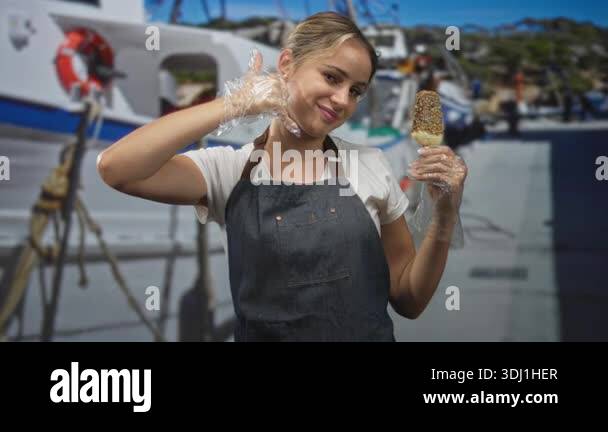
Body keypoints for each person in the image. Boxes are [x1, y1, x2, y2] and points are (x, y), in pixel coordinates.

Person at [96, 12, 468, 342]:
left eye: (355, 91)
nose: (342, 100)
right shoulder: (229, 170)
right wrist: (233, 105)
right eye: (331, 77)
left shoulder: (370, 165)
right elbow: (117, 169)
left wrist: (445, 217)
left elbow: (409, 298)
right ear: (287, 64)